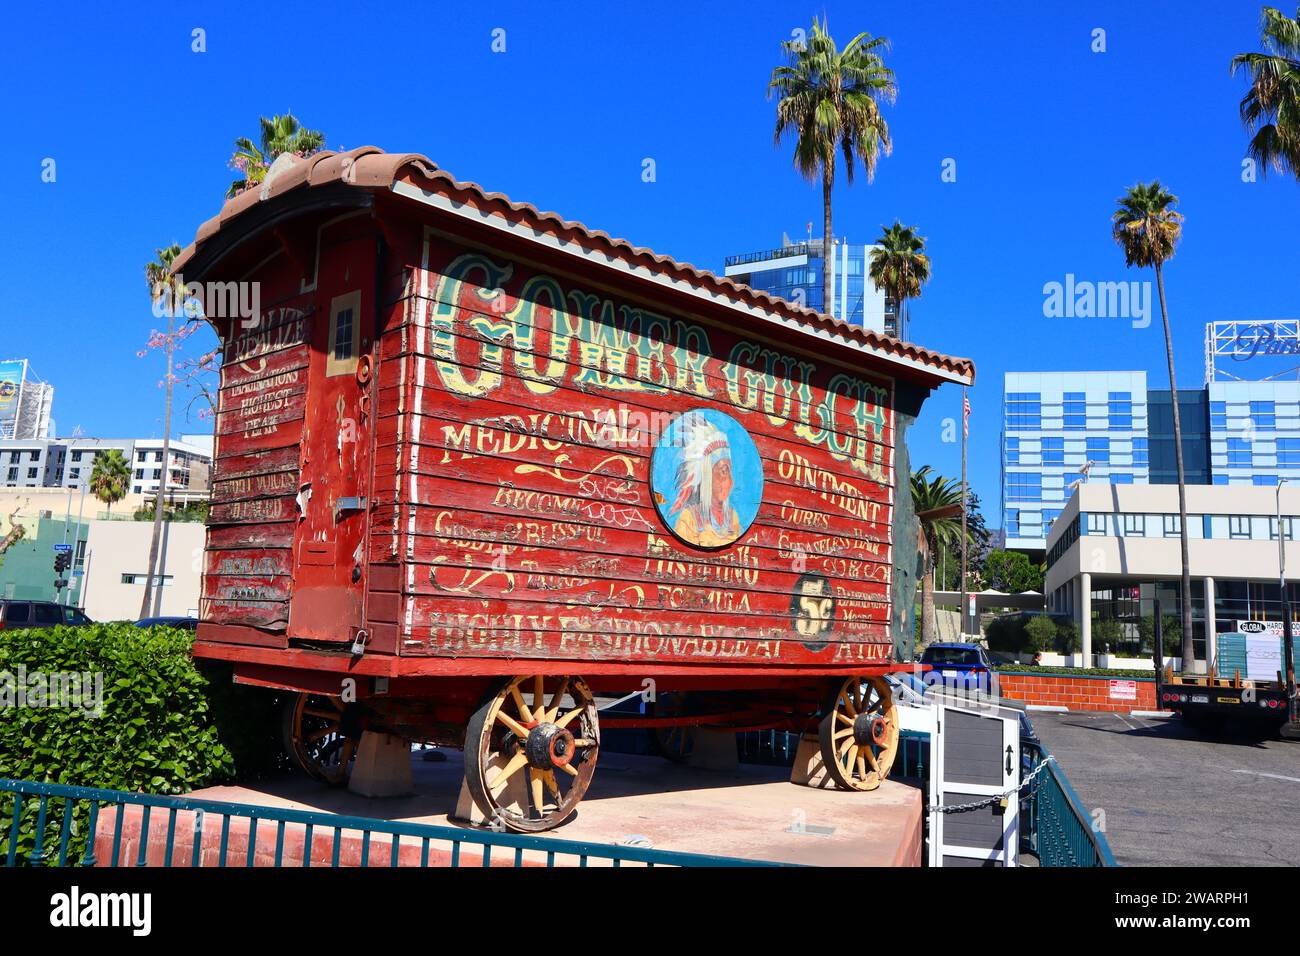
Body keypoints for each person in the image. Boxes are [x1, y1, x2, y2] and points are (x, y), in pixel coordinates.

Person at [666, 412, 742, 548]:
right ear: (707, 476)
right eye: (723, 471)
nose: (730, 483)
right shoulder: (689, 519)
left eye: (729, 472)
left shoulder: (732, 518)